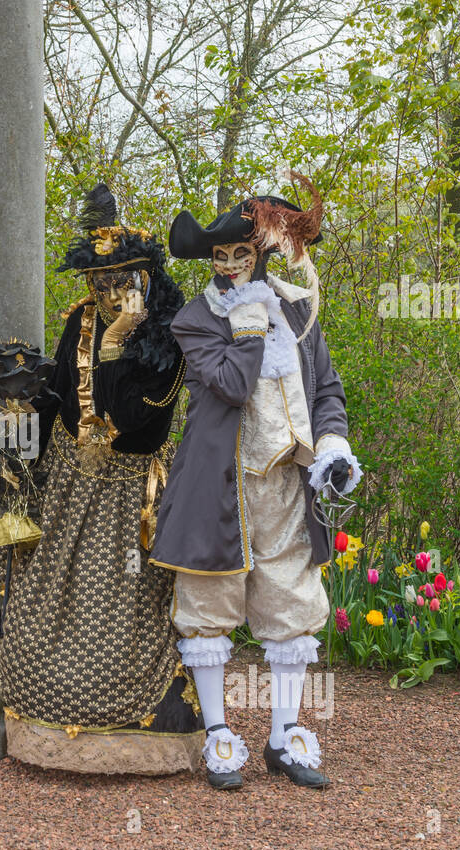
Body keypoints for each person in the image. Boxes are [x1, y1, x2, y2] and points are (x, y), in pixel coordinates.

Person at [150, 172, 362, 790]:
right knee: (209, 600)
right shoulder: (194, 319)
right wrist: (246, 327)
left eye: (241, 253)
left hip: (287, 480)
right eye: (219, 255)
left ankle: (283, 736)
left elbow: (326, 390)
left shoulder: (298, 309)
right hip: (221, 481)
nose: (229, 266)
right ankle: (219, 732)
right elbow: (232, 386)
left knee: (291, 602)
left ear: (261, 254)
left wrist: (333, 446)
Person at [0, 184, 207, 775]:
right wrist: (21, 420)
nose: (112, 295)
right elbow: (62, 396)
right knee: (46, 608)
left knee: (120, 616)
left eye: (123, 282)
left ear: (146, 278)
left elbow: (137, 419)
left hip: (127, 497)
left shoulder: (169, 337)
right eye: (101, 283)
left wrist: (114, 348)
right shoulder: (80, 320)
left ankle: (132, 739)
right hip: (68, 486)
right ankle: (40, 730)